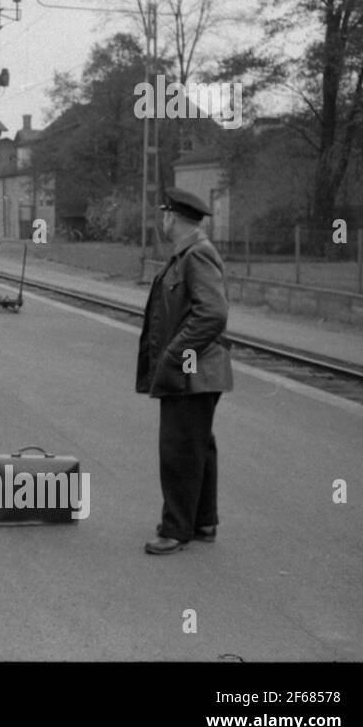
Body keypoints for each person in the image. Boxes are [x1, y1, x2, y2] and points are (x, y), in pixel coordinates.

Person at [136, 188, 233, 555]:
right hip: (197, 371)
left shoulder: (197, 255)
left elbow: (213, 313)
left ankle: (176, 530)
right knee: (198, 446)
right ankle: (203, 521)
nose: (160, 220)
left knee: (179, 449)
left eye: (162, 214)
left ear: (171, 217)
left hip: (192, 371)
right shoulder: (186, 254)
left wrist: (176, 354)